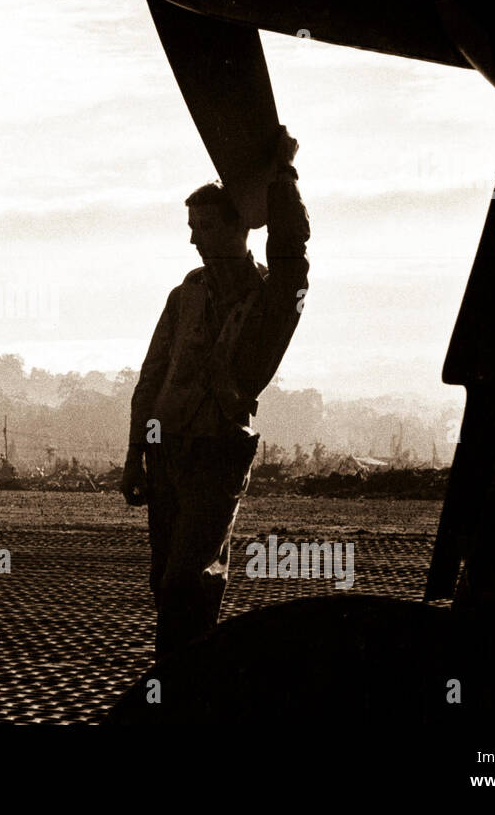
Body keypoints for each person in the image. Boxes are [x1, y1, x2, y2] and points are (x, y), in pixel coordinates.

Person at [121, 127, 310, 660]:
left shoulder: (273, 296)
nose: (194, 238)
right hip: (166, 455)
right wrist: (134, 456)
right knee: (169, 582)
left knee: (188, 578)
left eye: (204, 226)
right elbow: (149, 379)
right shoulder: (185, 294)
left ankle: (183, 686)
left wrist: (283, 175)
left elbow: (293, 249)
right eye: (191, 226)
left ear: (240, 228)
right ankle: (184, 676)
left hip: (217, 454)